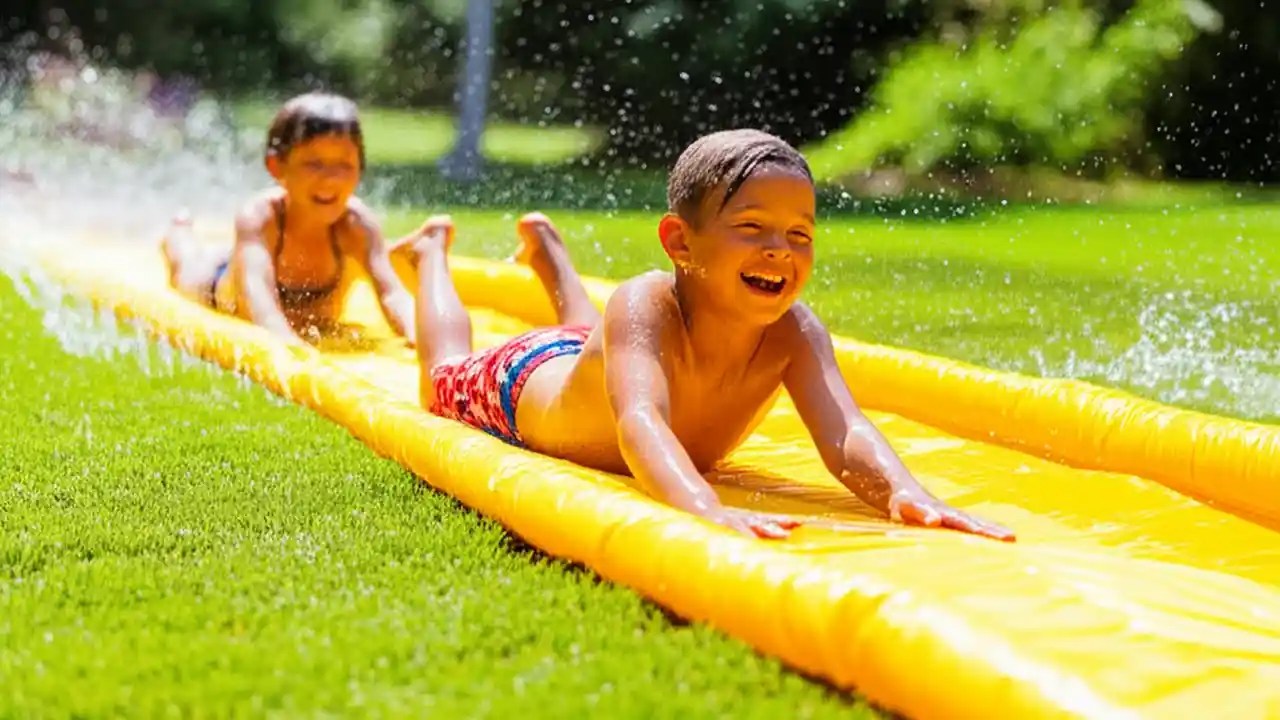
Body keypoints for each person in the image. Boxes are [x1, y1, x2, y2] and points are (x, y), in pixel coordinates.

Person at [392, 129, 1014, 542]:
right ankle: (429, 257)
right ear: (680, 243)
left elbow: (846, 430)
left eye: (800, 234)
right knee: (442, 371)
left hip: (589, 356)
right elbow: (638, 421)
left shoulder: (794, 332)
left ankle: (550, 257)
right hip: (520, 383)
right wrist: (702, 505)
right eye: (753, 227)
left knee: (590, 334)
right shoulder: (644, 302)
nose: (779, 251)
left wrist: (905, 493)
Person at [161, 92, 416, 347]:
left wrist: (418, 334)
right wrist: (290, 347)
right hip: (216, 286)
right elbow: (257, 298)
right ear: (276, 166)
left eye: (344, 165)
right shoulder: (261, 218)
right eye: (314, 163)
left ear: (360, 168)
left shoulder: (357, 225)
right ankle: (180, 235)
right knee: (186, 271)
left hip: (302, 319)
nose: (331, 178)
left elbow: (393, 294)